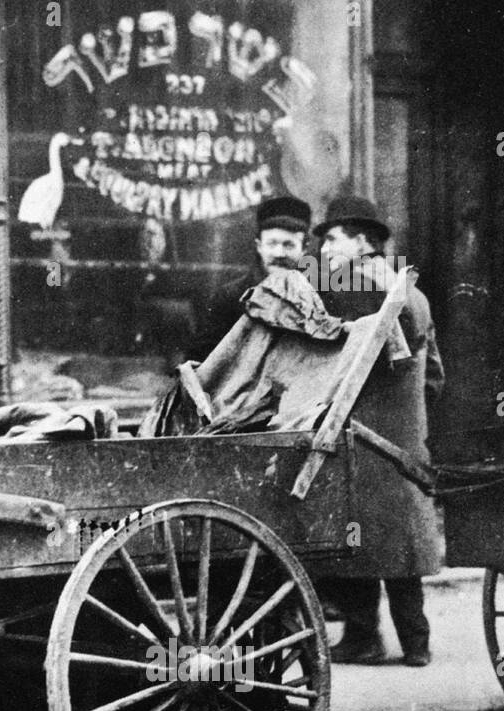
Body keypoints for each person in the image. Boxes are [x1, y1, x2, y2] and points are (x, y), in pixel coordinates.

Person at [310, 195, 444, 667]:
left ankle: (365, 638)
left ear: (362, 241)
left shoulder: (357, 287)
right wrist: (412, 418)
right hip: (400, 437)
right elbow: (433, 375)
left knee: (359, 541)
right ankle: (416, 643)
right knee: (400, 546)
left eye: (331, 239)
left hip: (365, 433)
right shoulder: (406, 289)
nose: (323, 249)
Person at [187, 194, 312, 362]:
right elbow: (202, 359)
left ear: (304, 249)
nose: (279, 253)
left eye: (289, 245)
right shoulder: (231, 297)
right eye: (272, 244)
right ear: (259, 246)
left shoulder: (317, 297)